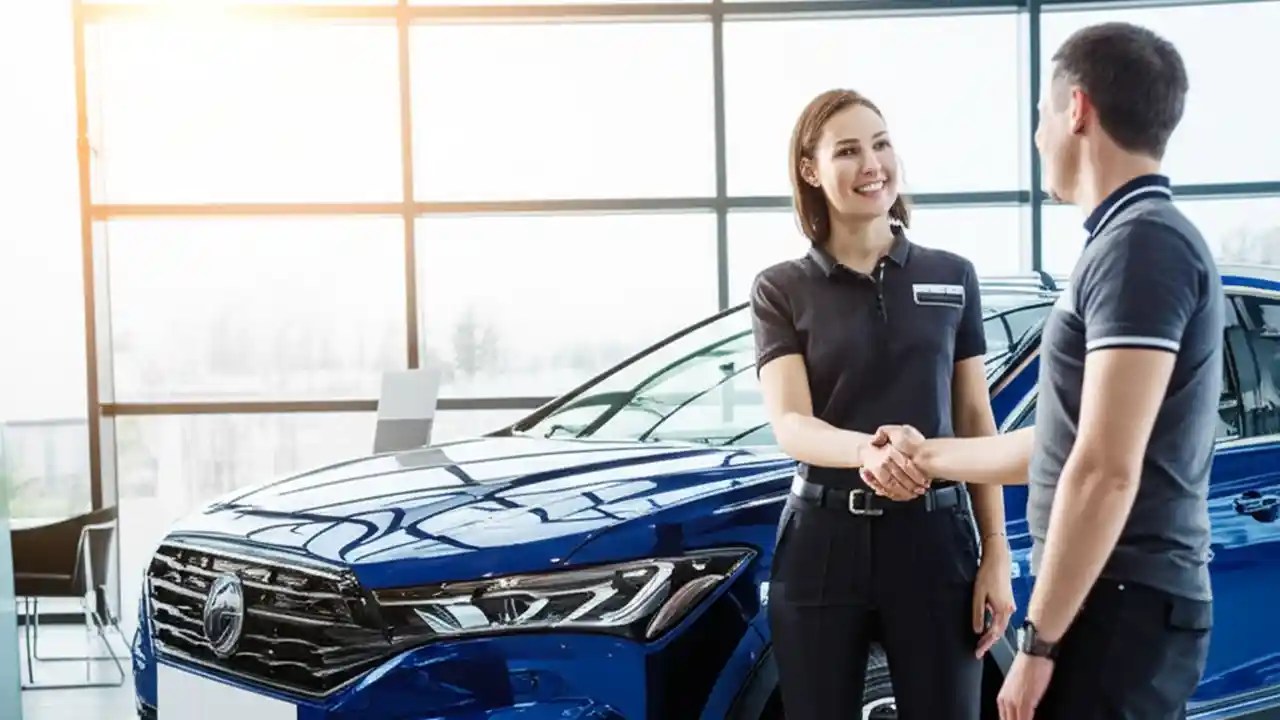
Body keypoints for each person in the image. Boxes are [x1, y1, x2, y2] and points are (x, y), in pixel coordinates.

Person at [868, 22, 1220, 720]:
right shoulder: (1124, 243)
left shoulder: (1141, 243)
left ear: (1077, 111)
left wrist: (1039, 646)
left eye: (1040, 116)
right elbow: (1061, 444)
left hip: (1119, 600)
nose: (1037, 139)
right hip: (1116, 598)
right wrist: (927, 454)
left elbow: (1104, 468)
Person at [751, 87, 1015, 720]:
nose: (873, 163)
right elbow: (790, 421)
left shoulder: (953, 275)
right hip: (822, 543)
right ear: (811, 170)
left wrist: (996, 553)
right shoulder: (780, 288)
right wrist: (868, 452)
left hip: (935, 539)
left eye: (881, 142)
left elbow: (977, 422)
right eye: (848, 150)